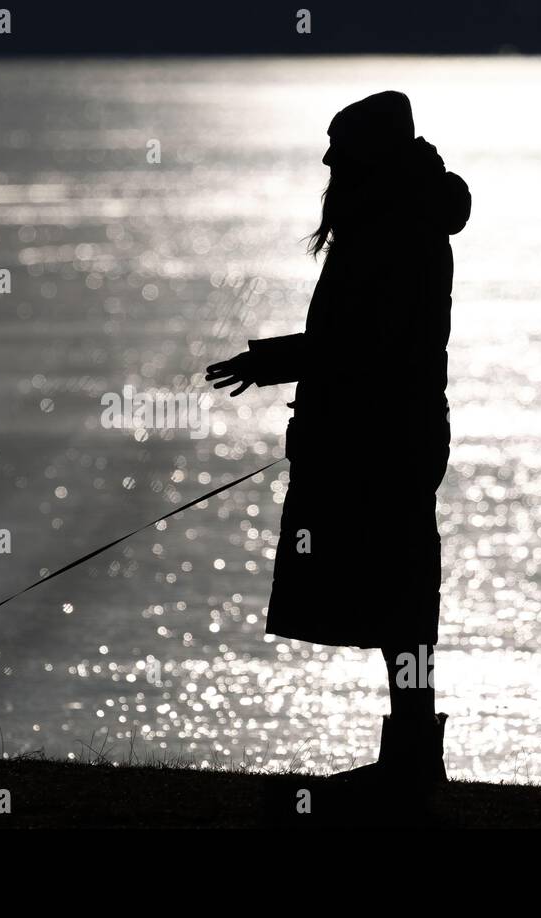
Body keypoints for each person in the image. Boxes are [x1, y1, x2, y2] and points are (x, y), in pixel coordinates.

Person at [206, 91, 470, 784]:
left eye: (339, 147)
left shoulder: (399, 229)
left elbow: (363, 345)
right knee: (398, 599)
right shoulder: (391, 220)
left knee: (402, 601)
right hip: (378, 436)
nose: (326, 160)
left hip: (385, 441)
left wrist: (271, 362)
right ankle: (410, 753)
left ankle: (412, 758)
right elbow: (354, 343)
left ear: (370, 154)